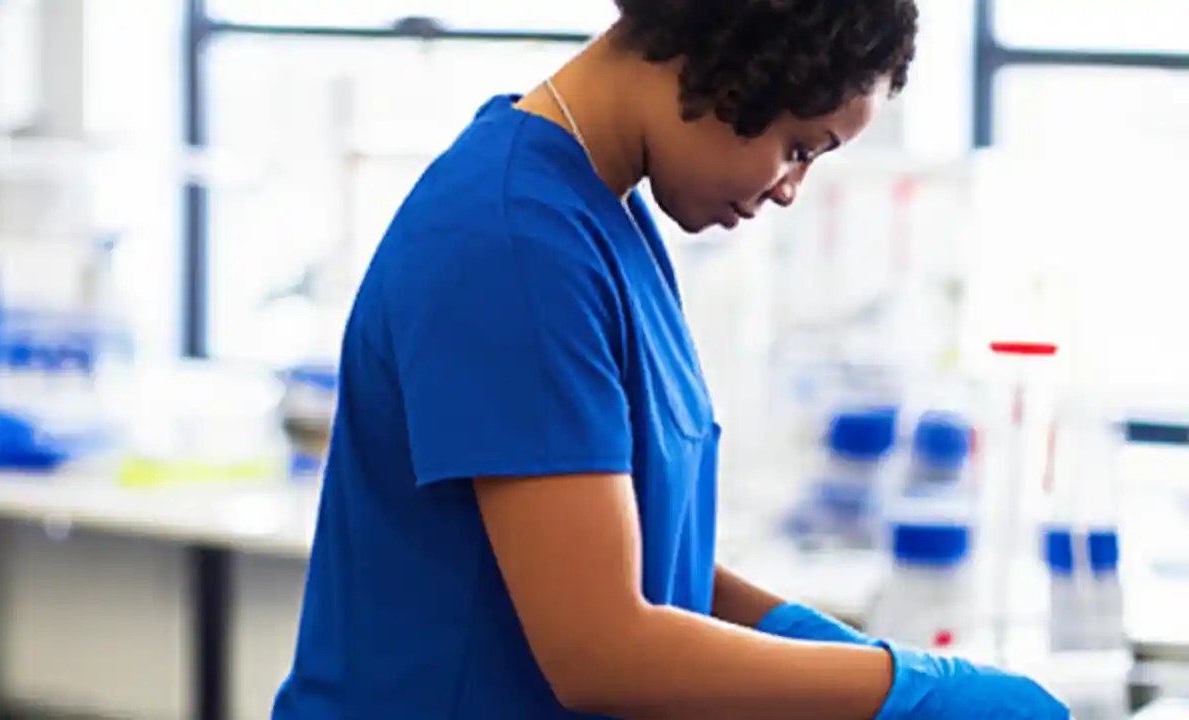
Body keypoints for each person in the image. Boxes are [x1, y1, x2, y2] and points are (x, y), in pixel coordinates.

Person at [273, 1, 1070, 718]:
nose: (791, 188)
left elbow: (631, 555)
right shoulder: (512, 240)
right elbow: (599, 651)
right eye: (799, 146)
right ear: (733, 59)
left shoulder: (601, 213)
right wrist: (901, 693)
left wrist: (819, 643)